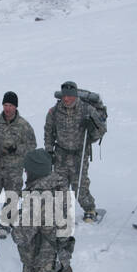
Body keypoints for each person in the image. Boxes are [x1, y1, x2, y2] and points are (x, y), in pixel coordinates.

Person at [12, 149, 74, 272]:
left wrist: (15, 220)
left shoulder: (36, 198)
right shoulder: (59, 185)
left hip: (39, 257)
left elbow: (21, 236)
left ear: (33, 171)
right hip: (58, 250)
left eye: (27, 170)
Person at [44, 81, 105, 223]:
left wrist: (91, 128)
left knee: (80, 185)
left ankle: (90, 209)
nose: (67, 99)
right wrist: (49, 151)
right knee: (59, 185)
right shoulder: (54, 111)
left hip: (80, 153)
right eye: (65, 96)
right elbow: (48, 132)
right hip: (61, 154)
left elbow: (100, 131)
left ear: (75, 96)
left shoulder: (87, 110)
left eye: (70, 96)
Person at [0, 91, 37, 231]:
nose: (7, 108)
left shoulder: (24, 125)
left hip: (14, 169)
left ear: (15, 107)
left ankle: (6, 224)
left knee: (12, 196)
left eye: (10, 105)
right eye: (5, 105)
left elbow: (32, 145)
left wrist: (16, 149)